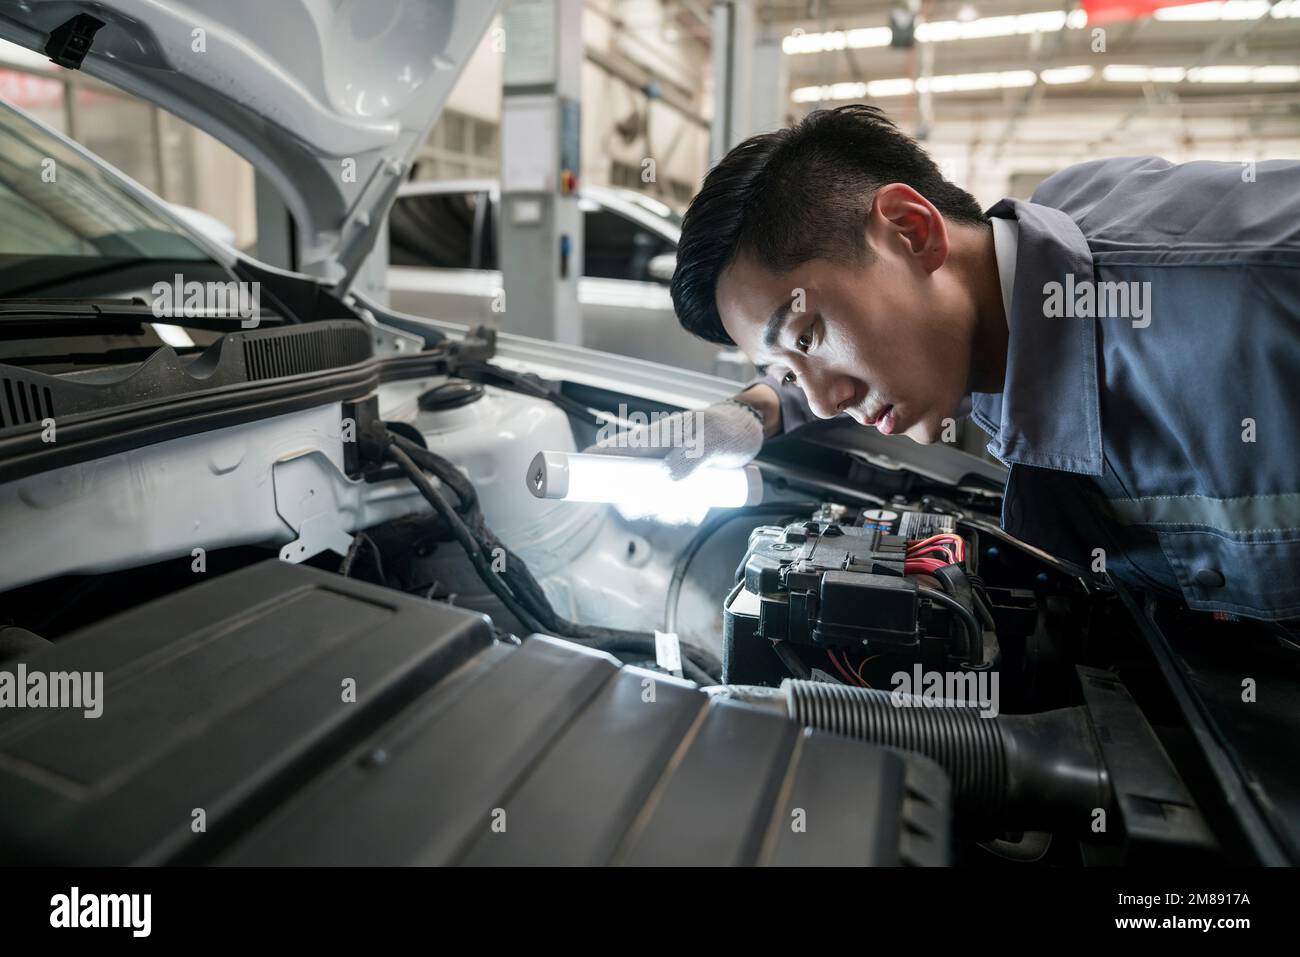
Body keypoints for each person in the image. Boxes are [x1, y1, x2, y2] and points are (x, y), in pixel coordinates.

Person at [593, 104, 1300, 621]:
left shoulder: (1247, 302)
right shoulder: (1007, 273)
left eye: (805, 337)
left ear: (910, 229)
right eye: (784, 368)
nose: (828, 399)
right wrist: (748, 414)